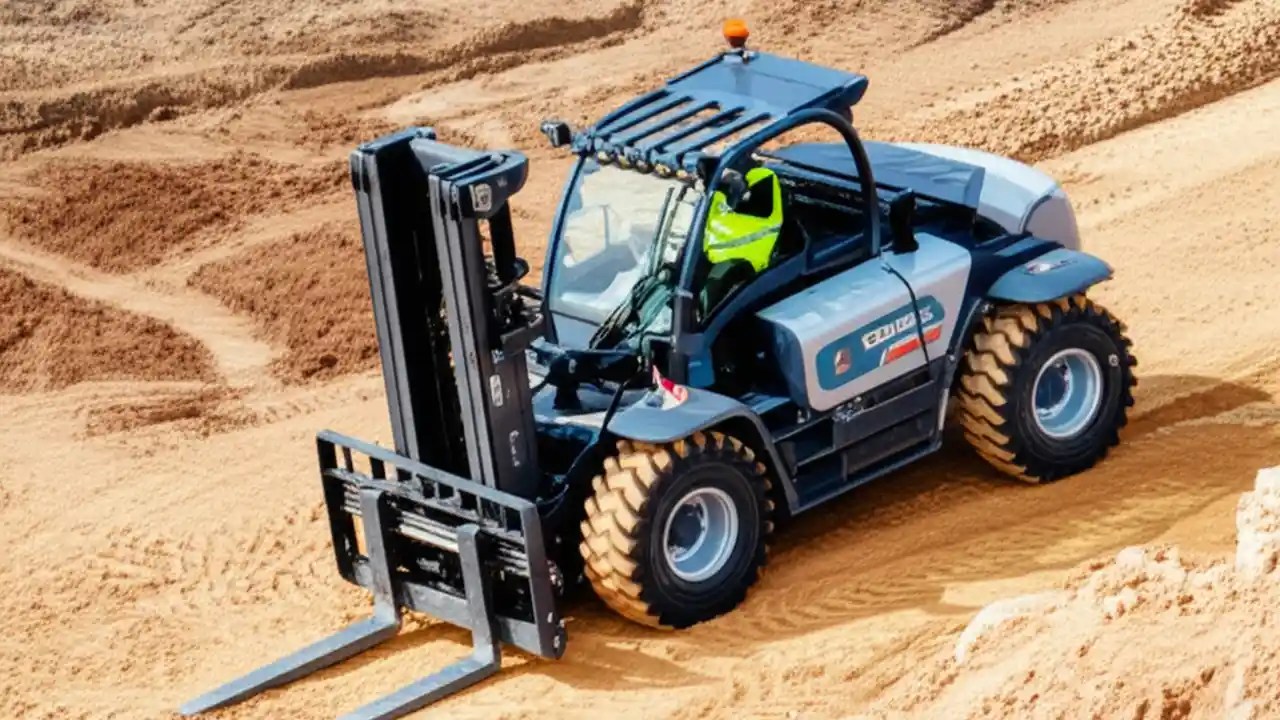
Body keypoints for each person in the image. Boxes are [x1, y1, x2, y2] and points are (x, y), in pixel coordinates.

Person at [702, 166, 784, 273]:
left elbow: (716, 218)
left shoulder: (766, 221)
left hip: (715, 260)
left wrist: (722, 189)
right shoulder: (768, 218)